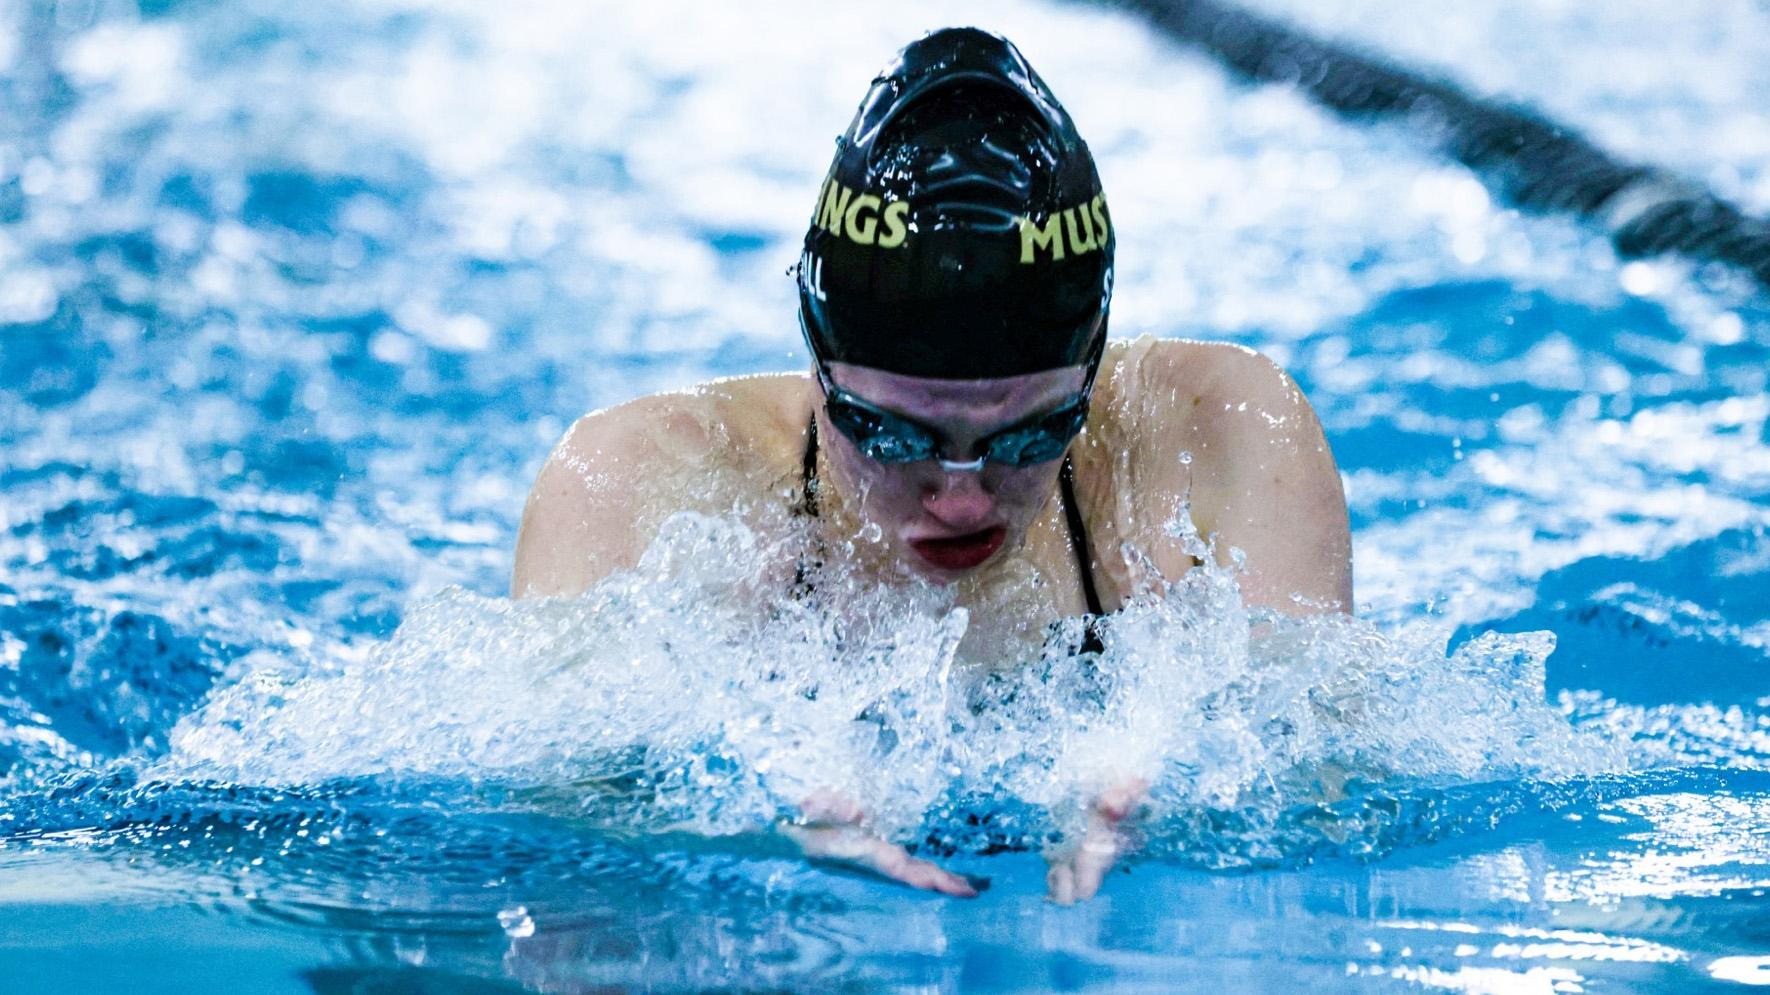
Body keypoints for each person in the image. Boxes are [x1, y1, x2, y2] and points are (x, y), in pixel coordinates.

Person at [513, 27, 1351, 903]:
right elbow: (553, 846)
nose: (959, 500)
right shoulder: (640, 478)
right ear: (818, 366)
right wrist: (744, 809)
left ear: (1092, 374)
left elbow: (1328, 786)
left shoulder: (1222, 432)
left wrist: (1181, 775)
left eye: (1029, 435)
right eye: (894, 435)